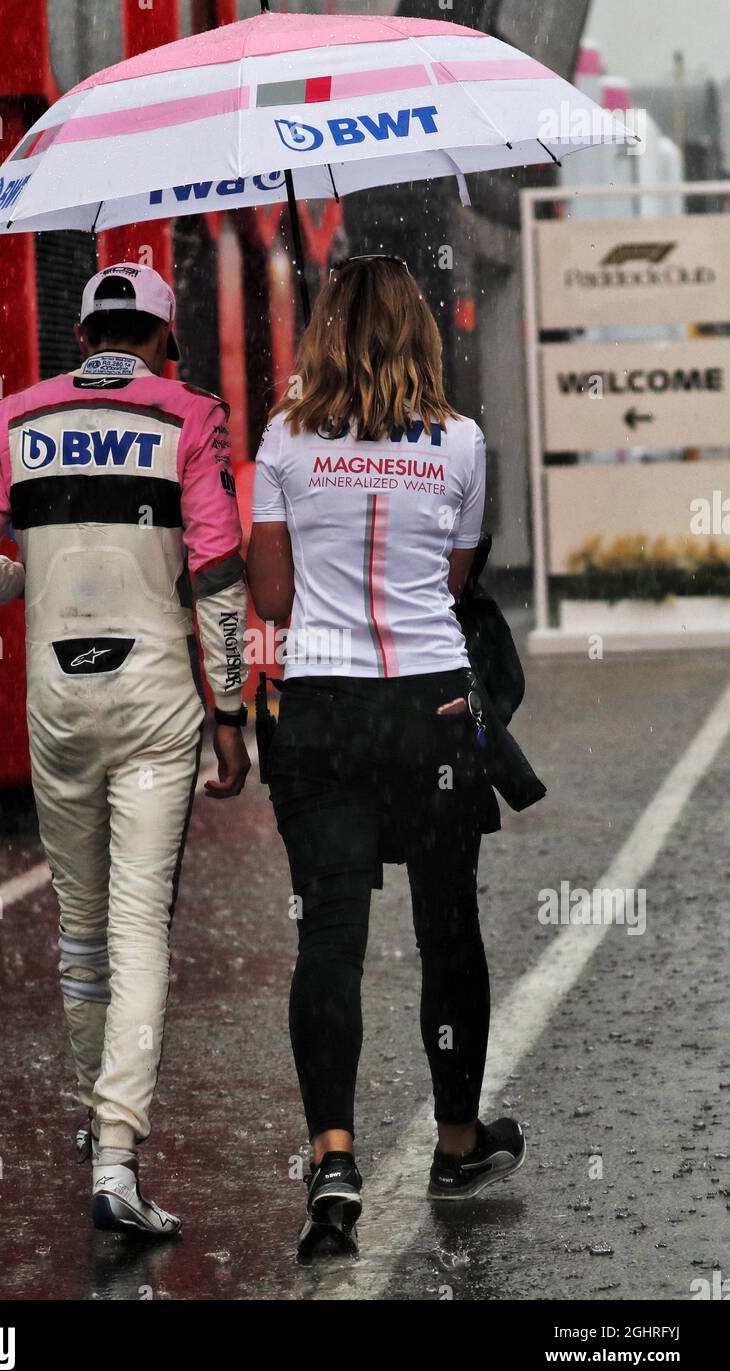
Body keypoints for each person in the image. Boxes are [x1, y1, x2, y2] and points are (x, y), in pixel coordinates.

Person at [0, 262, 250, 1238]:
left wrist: (28, 579)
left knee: (80, 931)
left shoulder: (17, 417)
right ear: (162, 341)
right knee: (139, 927)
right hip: (154, 702)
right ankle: (117, 1151)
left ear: (81, 337)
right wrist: (232, 709)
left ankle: (93, 1121)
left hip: (56, 703)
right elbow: (219, 572)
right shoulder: (191, 414)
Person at [248, 256, 527, 1252]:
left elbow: (272, 601)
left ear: (323, 333)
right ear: (420, 336)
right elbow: (451, 581)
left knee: (328, 932)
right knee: (446, 926)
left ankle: (331, 1156)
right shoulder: (459, 443)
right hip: (431, 711)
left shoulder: (280, 440)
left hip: (319, 712)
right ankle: (456, 1140)